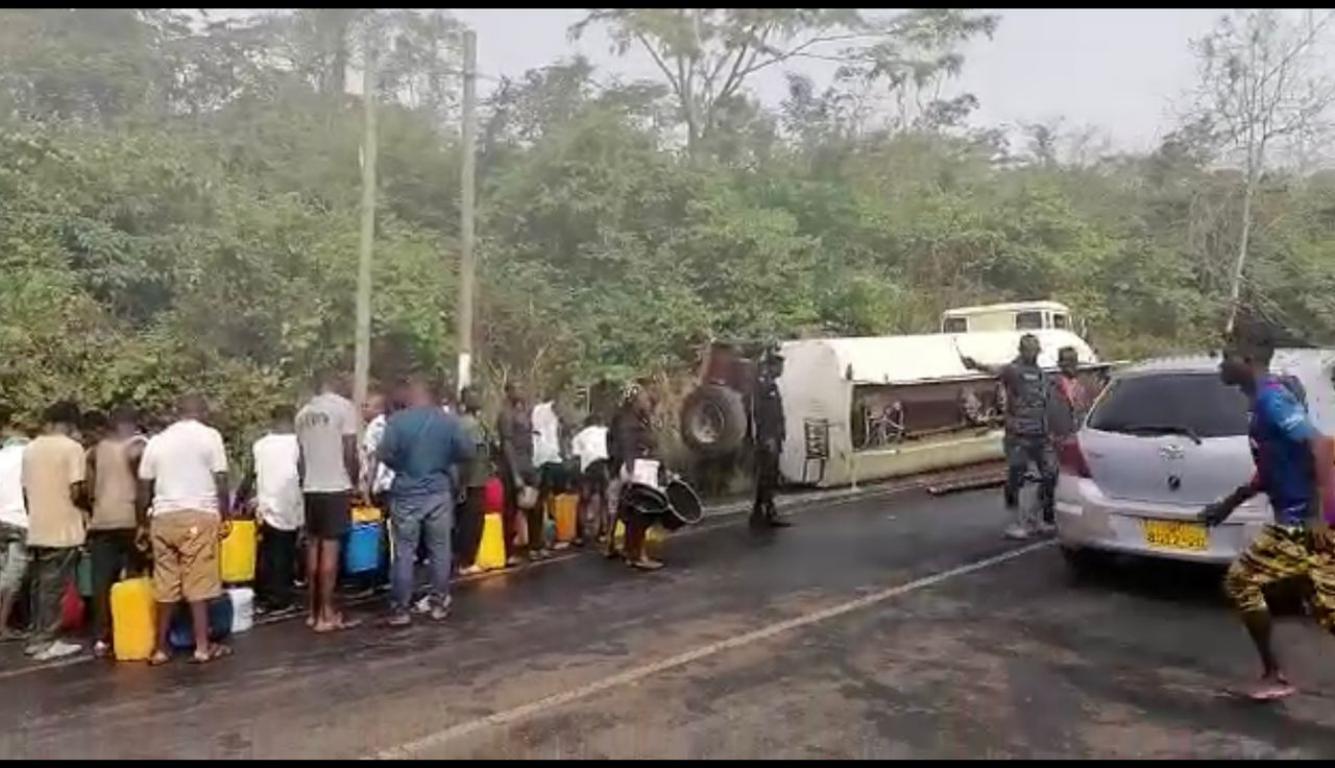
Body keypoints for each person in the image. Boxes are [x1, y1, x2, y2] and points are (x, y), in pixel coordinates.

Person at [1199, 330, 1335, 702]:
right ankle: (1274, 674)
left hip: (1302, 521)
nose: (1220, 364)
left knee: (1241, 581)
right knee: (1325, 606)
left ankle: (1274, 675)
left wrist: (1320, 517)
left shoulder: (1272, 400)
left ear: (1246, 360)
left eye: (1226, 356)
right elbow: (1274, 465)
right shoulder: (1261, 400)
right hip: (1301, 518)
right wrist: (1230, 502)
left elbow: (1321, 447)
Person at [137, 394, 233, 665]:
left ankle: (160, 648)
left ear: (177, 412)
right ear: (201, 410)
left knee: (166, 585)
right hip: (197, 514)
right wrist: (225, 514)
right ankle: (202, 647)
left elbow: (143, 485)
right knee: (199, 582)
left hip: (163, 518)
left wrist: (143, 524)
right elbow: (221, 478)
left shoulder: (157, 441)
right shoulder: (209, 436)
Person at [377, 376, 474, 626]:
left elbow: (385, 454)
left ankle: (401, 610)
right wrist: (444, 461)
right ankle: (439, 603)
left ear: (415, 394)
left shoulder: (398, 422)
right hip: (439, 491)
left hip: (406, 492)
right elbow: (467, 452)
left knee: (405, 551)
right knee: (440, 549)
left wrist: (403, 466)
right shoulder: (448, 421)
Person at [961, 333, 1056, 540]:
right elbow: (994, 369)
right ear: (1022, 351)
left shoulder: (1041, 375)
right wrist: (975, 364)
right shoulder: (1013, 371)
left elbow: (1047, 403)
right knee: (1017, 475)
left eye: (1035, 350)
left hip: (1041, 434)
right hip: (1019, 434)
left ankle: (1036, 515)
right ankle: (1016, 520)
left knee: (1050, 474)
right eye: (1029, 350)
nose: (1033, 354)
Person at [21, 401, 89, 661]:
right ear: (71, 423)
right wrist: (85, 511)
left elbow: (26, 491)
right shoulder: (72, 449)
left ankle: (35, 636)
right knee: (55, 588)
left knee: (39, 586)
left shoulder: (31, 449)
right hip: (64, 528)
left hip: (37, 526)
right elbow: (77, 490)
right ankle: (46, 641)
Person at [295, 372, 361, 632]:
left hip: (311, 487)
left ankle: (312, 612)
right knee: (331, 552)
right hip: (335, 486)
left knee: (314, 548)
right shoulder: (344, 408)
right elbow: (349, 450)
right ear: (335, 383)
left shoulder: (303, 413)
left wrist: (304, 482)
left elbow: (300, 458)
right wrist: (354, 481)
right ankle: (327, 613)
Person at [86, 405, 148, 658]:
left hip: (101, 520)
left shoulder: (94, 451)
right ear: (132, 424)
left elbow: (87, 491)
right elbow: (145, 483)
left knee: (102, 580)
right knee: (135, 575)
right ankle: (133, 628)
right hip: (130, 518)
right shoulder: (139, 446)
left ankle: (102, 635)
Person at [237, 405, 303, 615]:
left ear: (272, 420)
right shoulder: (298, 444)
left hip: (266, 506)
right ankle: (280, 598)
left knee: (268, 551)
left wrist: (239, 500)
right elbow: (303, 473)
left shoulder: (261, 445)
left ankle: (267, 595)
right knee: (285, 552)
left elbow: (249, 476)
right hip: (291, 503)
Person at [610, 383, 664, 571]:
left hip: (642, 466)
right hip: (638, 468)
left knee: (635, 512)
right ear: (634, 401)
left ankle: (630, 551)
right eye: (644, 398)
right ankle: (638, 554)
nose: (647, 401)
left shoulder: (639, 419)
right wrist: (632, 470)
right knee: (642, 512)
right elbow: (625, 445)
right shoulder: (627, 421)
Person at [497, 382, 540, 565]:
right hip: (512, 466)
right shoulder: (506, 415)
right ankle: (508, 552)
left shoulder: (524, 413)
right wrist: (515, 474)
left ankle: (534, 546)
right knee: (511, 510)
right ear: (508, 392)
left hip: (528, 464)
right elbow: (507, 445)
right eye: (516, 389)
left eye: (522, 388)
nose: (520, 392)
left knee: (535, 507)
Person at [751, 345, 791, 528]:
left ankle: (758, 512)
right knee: (768, 476)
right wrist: (767, 438)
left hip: (773, 436)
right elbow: (761, 414)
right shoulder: (763, 385)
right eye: (779, 366)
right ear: (772, 367)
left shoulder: (770, 384)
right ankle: (769, 513)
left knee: (767, 476)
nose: (781, 370)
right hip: (767, 438)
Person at [454, 386, 491, 576]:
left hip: (469, 480)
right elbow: (469, 456)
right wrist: (463, 483)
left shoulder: (462, 422)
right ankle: (466, 562)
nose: (478, 399)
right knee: (472, 522)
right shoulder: (472, 425)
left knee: (463, 522)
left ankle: (461, 559)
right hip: (473, 480)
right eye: (474, 396)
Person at [0, 410, 30, 642]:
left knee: (3, 574)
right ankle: (3, 625)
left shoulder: (1, 456)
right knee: (15, 576)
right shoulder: (29, 455)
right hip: (20, 520)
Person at [532, 391, 567, 549]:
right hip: (541, 460)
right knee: (541, 501)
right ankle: (541, 541)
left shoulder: (552, 415)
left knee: (549, 499)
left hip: (551, 459)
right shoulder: (540, 411)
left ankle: (546, 539)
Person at [571, 413, 611, 546]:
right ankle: (604, 532)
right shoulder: (605, 431)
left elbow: (576, 458)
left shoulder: (579, 436)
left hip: (588, 467)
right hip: (604, 464)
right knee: (605, 499)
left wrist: (576, 478)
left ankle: (580, 535)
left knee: (584, 501)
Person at [1048, 346, 1090, 441]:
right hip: (1060, 438)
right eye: (1067, 361)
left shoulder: (1081, 385)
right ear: (1059, 364)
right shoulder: (1052, 386)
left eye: (1073, 360)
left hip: (1079, 437)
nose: (1070, 365)